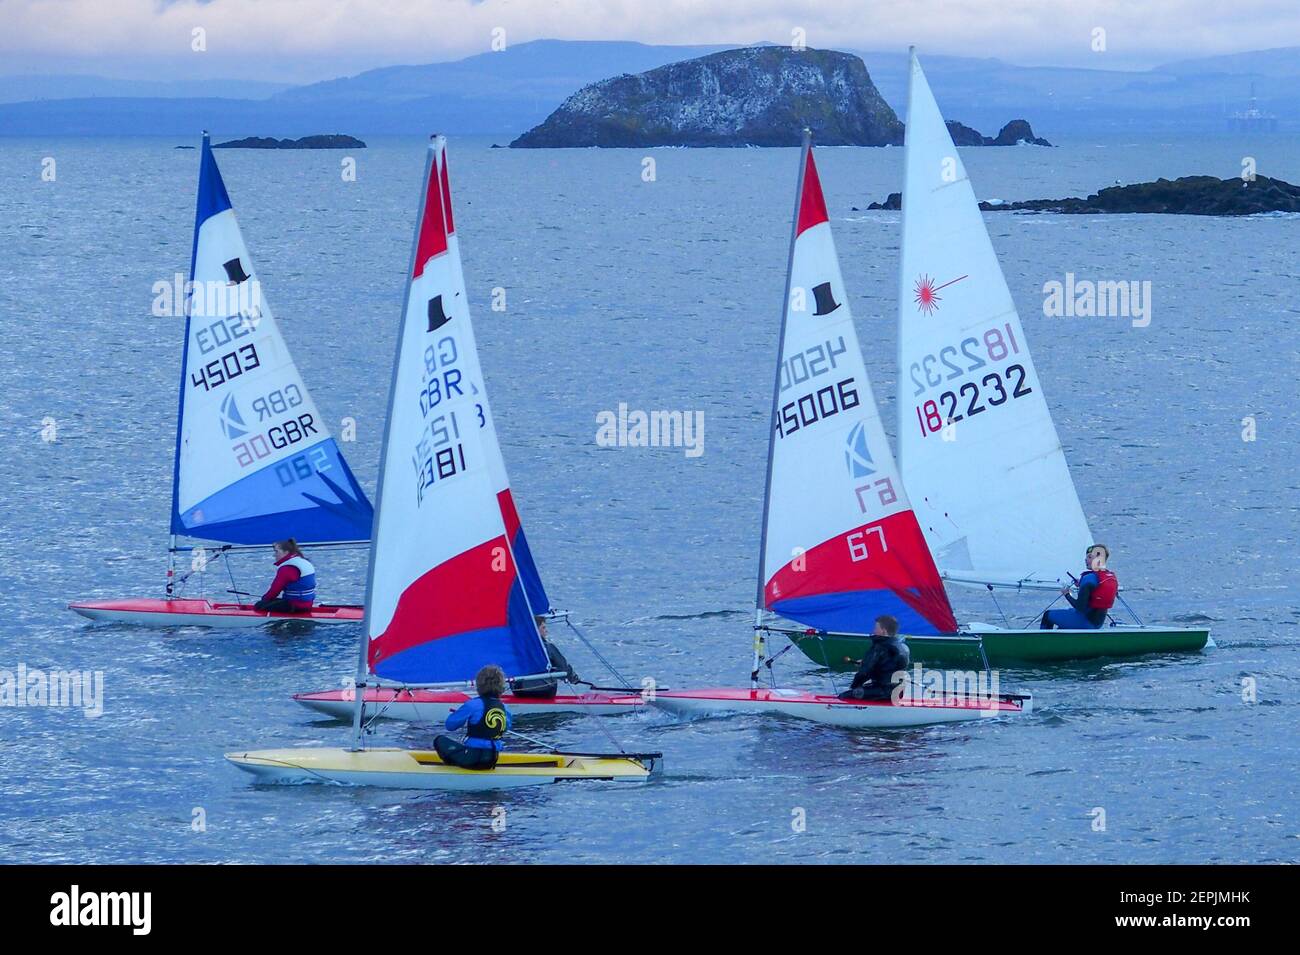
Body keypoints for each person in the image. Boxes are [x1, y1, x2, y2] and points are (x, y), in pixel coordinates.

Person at [434, 664, 510, 770]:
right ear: (501, 686)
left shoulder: (472, 704)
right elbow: (506, 727)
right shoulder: (504, 708)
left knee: (439, 740)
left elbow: (450, 726)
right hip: (492, 759)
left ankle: (453, 772)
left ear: (479, 685)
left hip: (472, 759)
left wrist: (459, 714)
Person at [1040, 544, 1119, 630]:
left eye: (1089, 557)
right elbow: (1096, 589)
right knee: (1062, 624)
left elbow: (1079, 608)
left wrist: (1067, 594)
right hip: (1098, 623)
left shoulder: (1088, 579)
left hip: (1085, 621)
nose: (1085, 559)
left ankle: (1042, 641)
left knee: (1047, 615)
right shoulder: (1110, 577)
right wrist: (1081, 584)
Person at [839, 614, 910, 701]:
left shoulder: (879, 647)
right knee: (864, 689)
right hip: (899, 692)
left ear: (883, 631)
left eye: (876, 628)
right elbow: (889, 666)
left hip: (884, 692)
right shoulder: (902, 646)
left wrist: (854, 687)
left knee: (843, 696)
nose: (873, 631)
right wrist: (868, 663)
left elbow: (864, 673)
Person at [511, 615, 581, 698]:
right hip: (545, 692)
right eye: (543, 628)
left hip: (520, 693)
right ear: (535, 630)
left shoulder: (515, 647)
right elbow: (564, 668)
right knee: (555, 669)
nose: (546, 631)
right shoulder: (548, 647)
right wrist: (574, 679)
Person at [253, 539, 316, 614]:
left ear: (286, 552)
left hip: (295, 606)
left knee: (258, 605)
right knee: (272, 602)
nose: (274, 555)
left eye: (276, 551)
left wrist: (264, 600)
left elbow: (274, 590)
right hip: (307, 604)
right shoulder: (302, 561)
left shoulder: (287, 568)